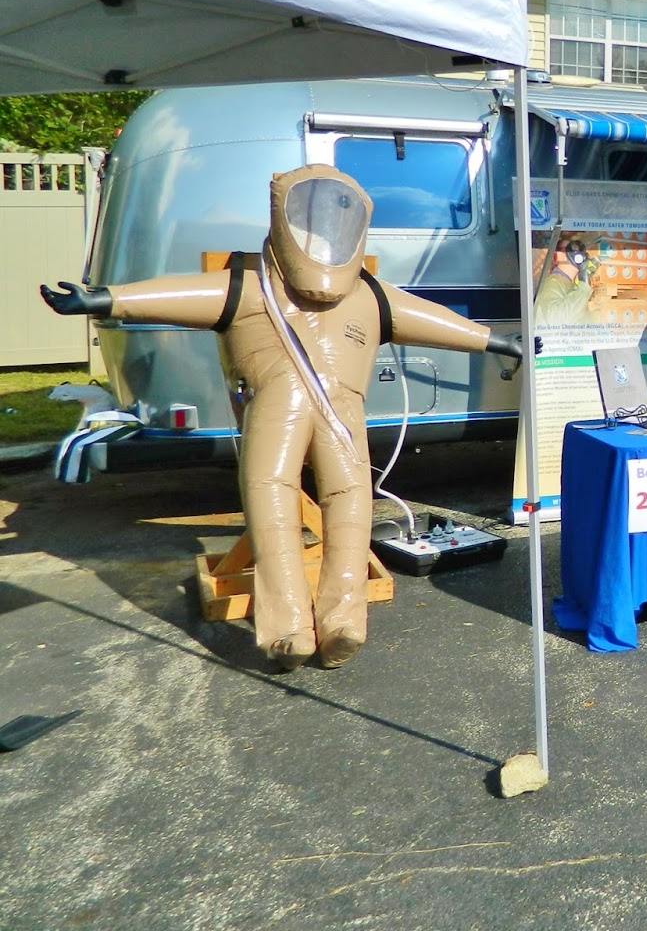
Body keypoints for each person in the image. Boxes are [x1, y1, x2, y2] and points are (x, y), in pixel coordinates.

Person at [40, 165, 523, 672]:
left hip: (284, 409)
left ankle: (297, 628)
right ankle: (336, 622)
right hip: (338, 411)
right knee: (346, 505)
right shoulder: (347, 291)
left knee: (280, 504)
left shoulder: (258, 284)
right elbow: (428, 318)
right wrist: (495, 340)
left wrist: (102, 299)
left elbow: (179, 295)